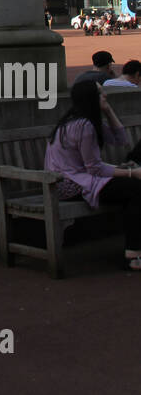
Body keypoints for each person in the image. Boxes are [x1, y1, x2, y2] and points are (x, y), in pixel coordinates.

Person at [45, 79, 141, 271]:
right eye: (100, 93)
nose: (105, 95)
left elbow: (122, 140)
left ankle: (134, 250)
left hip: (78, 179)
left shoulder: (84, 120)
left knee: (133, 189)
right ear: (90, 98)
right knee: (136, 190)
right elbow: (95, 169)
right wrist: (132, 173)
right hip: (68, 185)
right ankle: (133, 254)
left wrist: (107, 110)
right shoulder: (83, 125)